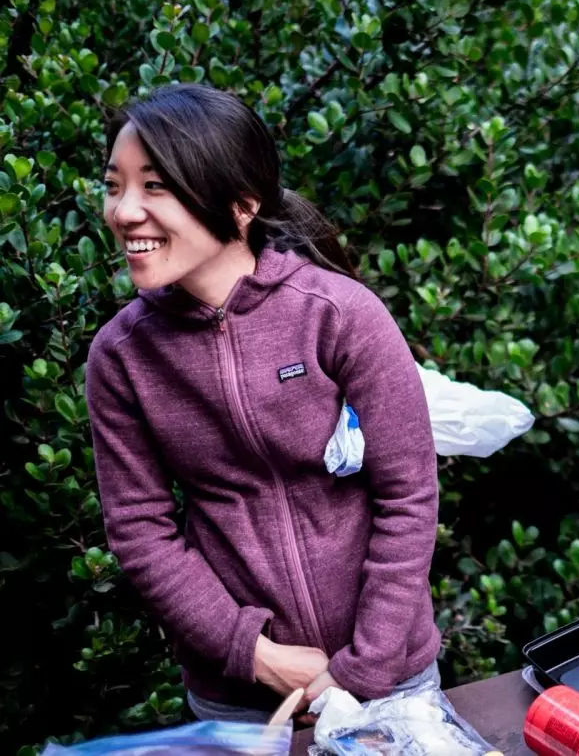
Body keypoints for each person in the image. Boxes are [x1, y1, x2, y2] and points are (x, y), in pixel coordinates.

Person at [85, 84, 441, 722]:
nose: (124, 211)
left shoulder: (339, 315)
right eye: (115, 185)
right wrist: (257, 655)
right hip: (241, 703)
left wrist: (360, 669)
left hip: (390, 678)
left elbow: (408, 494)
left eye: (155, 185)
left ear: (240, 205)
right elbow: (142, 532)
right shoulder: (122, 356)